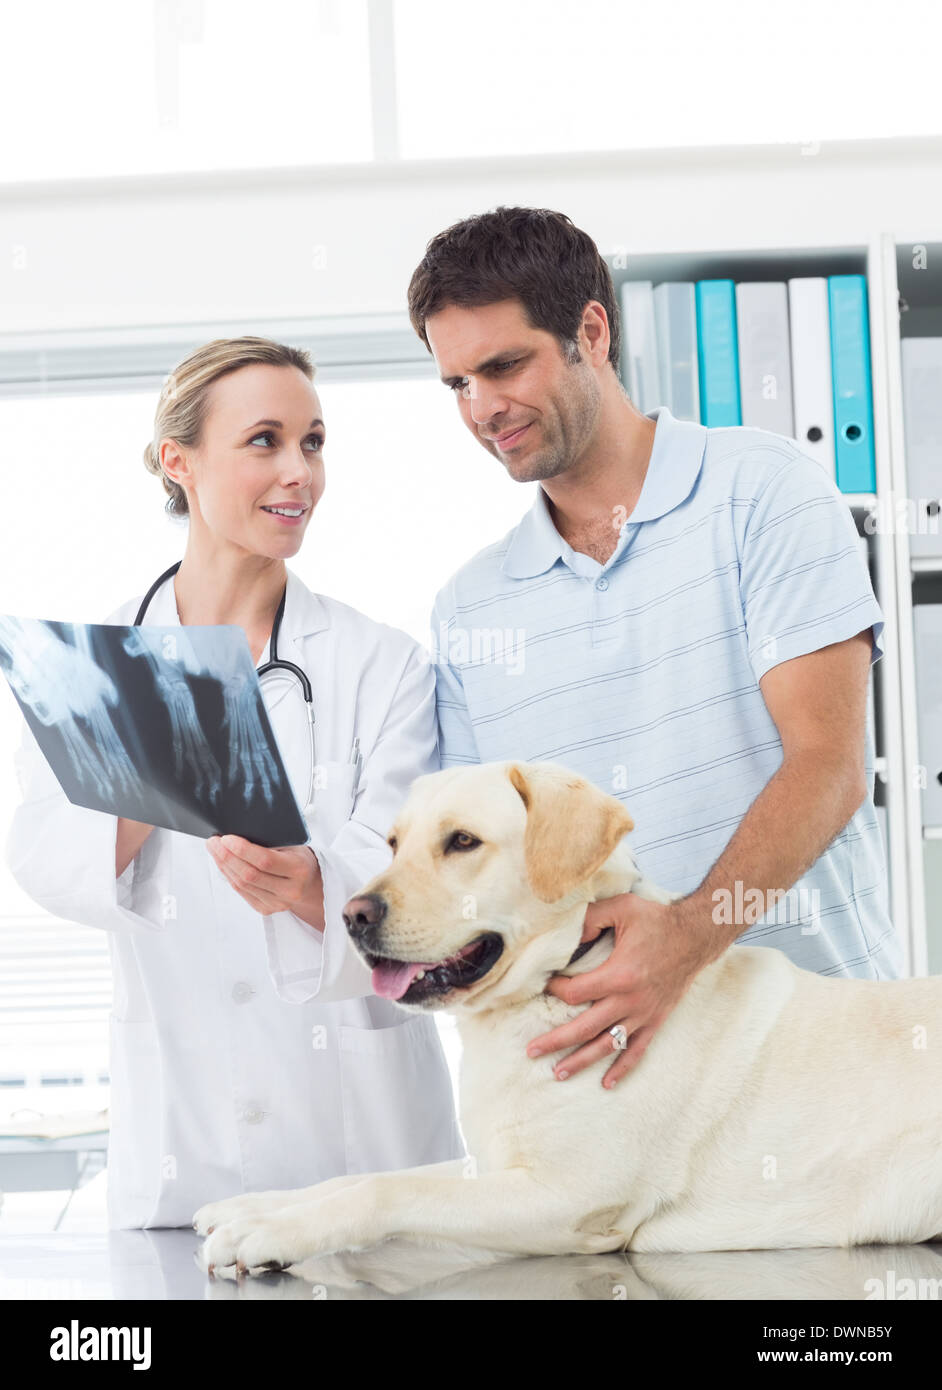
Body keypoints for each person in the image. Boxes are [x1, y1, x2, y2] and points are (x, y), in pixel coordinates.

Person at [407, 206, 902, 1089]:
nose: (482, 408)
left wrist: (683, 940)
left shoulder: (765, 492)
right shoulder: (468, 607)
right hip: (612, 1101)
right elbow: (489, 875)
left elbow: (828, 767)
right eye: (456, 385)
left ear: (589, 332)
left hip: (824, 1068)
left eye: (503, 365)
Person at [5, 336, 463, 1229]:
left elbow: (414, 874)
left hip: (369, 1153)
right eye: (264, 441)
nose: (300, 472)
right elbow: (40, 850)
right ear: (179, 462)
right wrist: (141, 795)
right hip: (189, 1149)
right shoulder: (94, 667)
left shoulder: (383, 665)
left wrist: (314, 889)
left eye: (314, 442)